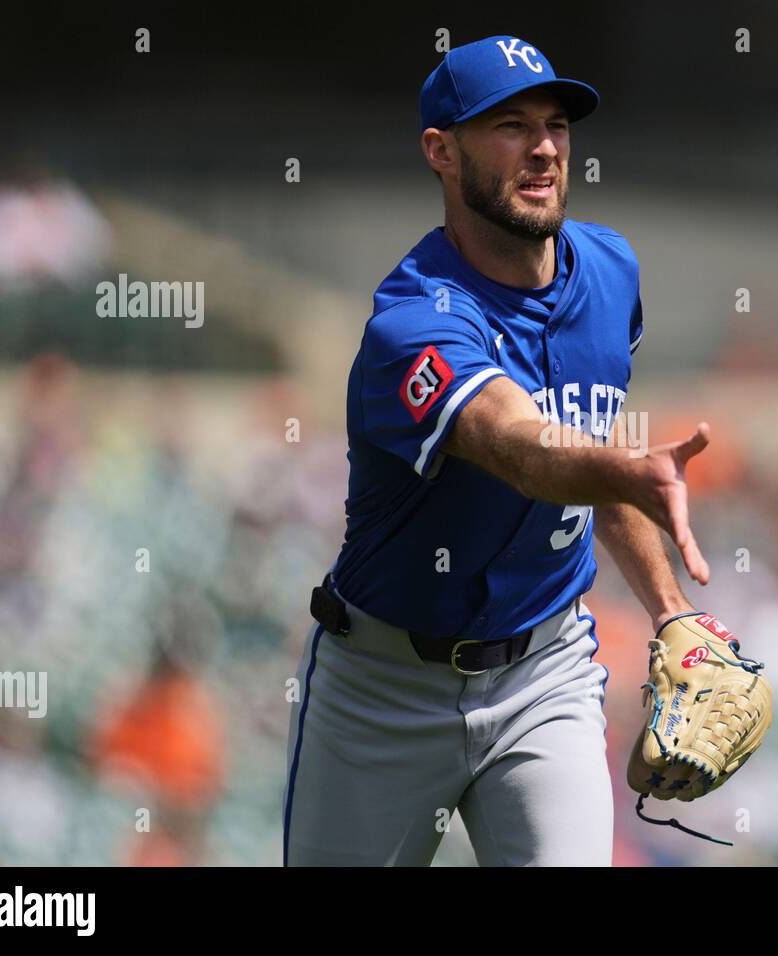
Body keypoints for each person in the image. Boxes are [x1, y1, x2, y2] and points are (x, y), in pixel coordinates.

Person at [282, 35, 714, 866]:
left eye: (556, 123)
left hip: (544, 676)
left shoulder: (612, 269)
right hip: (383, 691)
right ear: (441, 152)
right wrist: (627, 468)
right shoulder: (411, 323)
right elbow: (522, 447)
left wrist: (669, 612)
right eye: (510, 126)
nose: (545, 147)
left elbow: (590, 460)